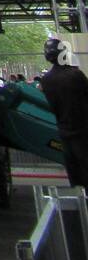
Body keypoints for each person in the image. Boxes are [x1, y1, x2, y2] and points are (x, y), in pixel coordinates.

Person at [40, 37, 88, 189]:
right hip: (84, 129)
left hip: (65, 130)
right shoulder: (76, 75)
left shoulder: (46, 80)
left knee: (76, 174)